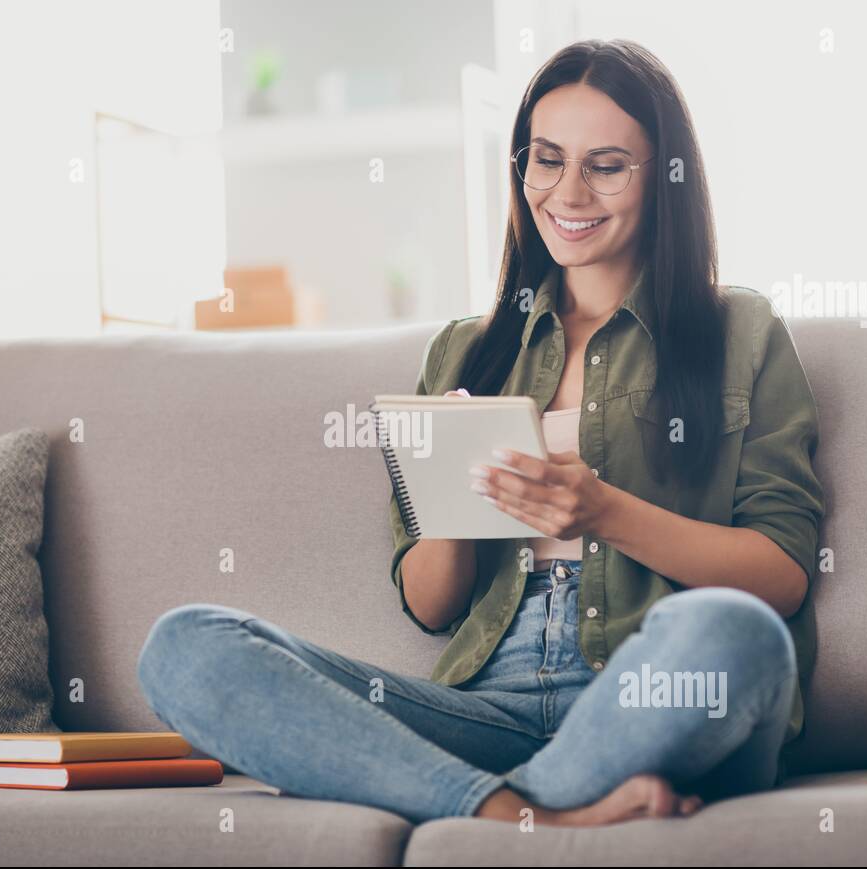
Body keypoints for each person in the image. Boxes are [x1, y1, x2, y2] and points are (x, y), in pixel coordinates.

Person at [137, 38, 825, 827]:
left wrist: (602, 511)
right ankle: (522, 812)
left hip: (652, 695)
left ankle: (478, 809)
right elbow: (431, 606)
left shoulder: (742, 329)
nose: (568, 191)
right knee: (186, 646)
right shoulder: (466, 349)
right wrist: (455, 497)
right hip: (484, 719)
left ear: (665, 179)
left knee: (732, 635)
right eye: (546, 159)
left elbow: (780, 578)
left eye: (606, 165)